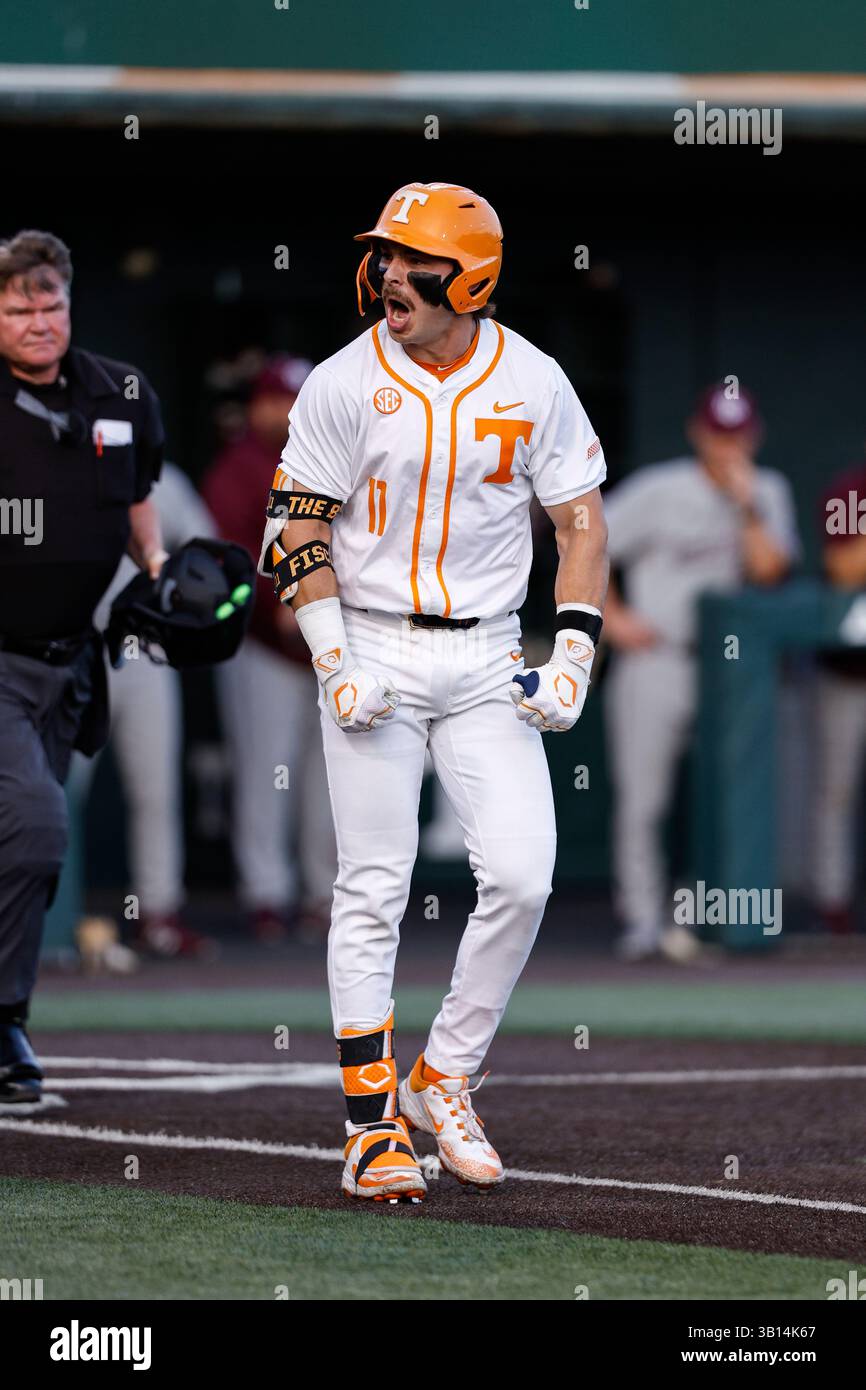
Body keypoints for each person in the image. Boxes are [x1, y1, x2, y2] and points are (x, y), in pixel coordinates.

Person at [258, 182, 608, 1202]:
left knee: (525, 874)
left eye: (411, 259)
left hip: (487, 651)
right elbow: (295, 526)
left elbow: (581, 522)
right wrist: (332, 654)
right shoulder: (339, 379)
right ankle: (368, 1124)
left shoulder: (533, 378)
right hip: (370, 638)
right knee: (372, 881)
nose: (386, 275)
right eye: (383, 254)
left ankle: (444, 1071)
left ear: (473, 277)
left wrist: (575, 650)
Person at [0, 230, 164, 1102]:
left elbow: (138, 500)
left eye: (50, 303)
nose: (38, 321)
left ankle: (3, 1022)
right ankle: (6, 1020)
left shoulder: (120, 390)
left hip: (69, 659)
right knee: (34, 826)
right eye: (19, 307)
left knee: (26, 849)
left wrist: (164, 574)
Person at [602, 383, 800, 962]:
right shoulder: (659, 488)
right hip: (658, 657)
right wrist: (611, 617)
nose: (728, 446)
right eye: (719, 434)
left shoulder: (767, 491)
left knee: (732, 800)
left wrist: (746, 506)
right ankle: (642, 921)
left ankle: (727, 921)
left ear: (754, 436)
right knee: (645, 799)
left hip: (733, 671)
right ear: (698, 432)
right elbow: (586, 541)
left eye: (738, 435)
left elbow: (770, 574)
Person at [203, 357, 338, 943]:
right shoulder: (239, 467)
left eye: (295, 398)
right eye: (277, 399)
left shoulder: (334, 457)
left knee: (329, 780)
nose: (285, 410)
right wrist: (277, 598)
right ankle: (265, 894)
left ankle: (324, 895)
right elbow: (223, 557)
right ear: (257, 404)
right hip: (264, 648)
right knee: (268, 772)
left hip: (329, 646)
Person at [82, 461, 218, 959]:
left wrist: (180, 596)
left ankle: (156, 914)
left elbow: (207, 547)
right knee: (56, 791)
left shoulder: (163, 477)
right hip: (73, 647)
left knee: (155, 788)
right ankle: (41, 915)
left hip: (143, 646)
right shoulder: (52, 460)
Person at [812, 450, 866, 934]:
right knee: (837, 790)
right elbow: (845, 568)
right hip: (847, 673)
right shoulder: (851, 491)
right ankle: (833, 905)